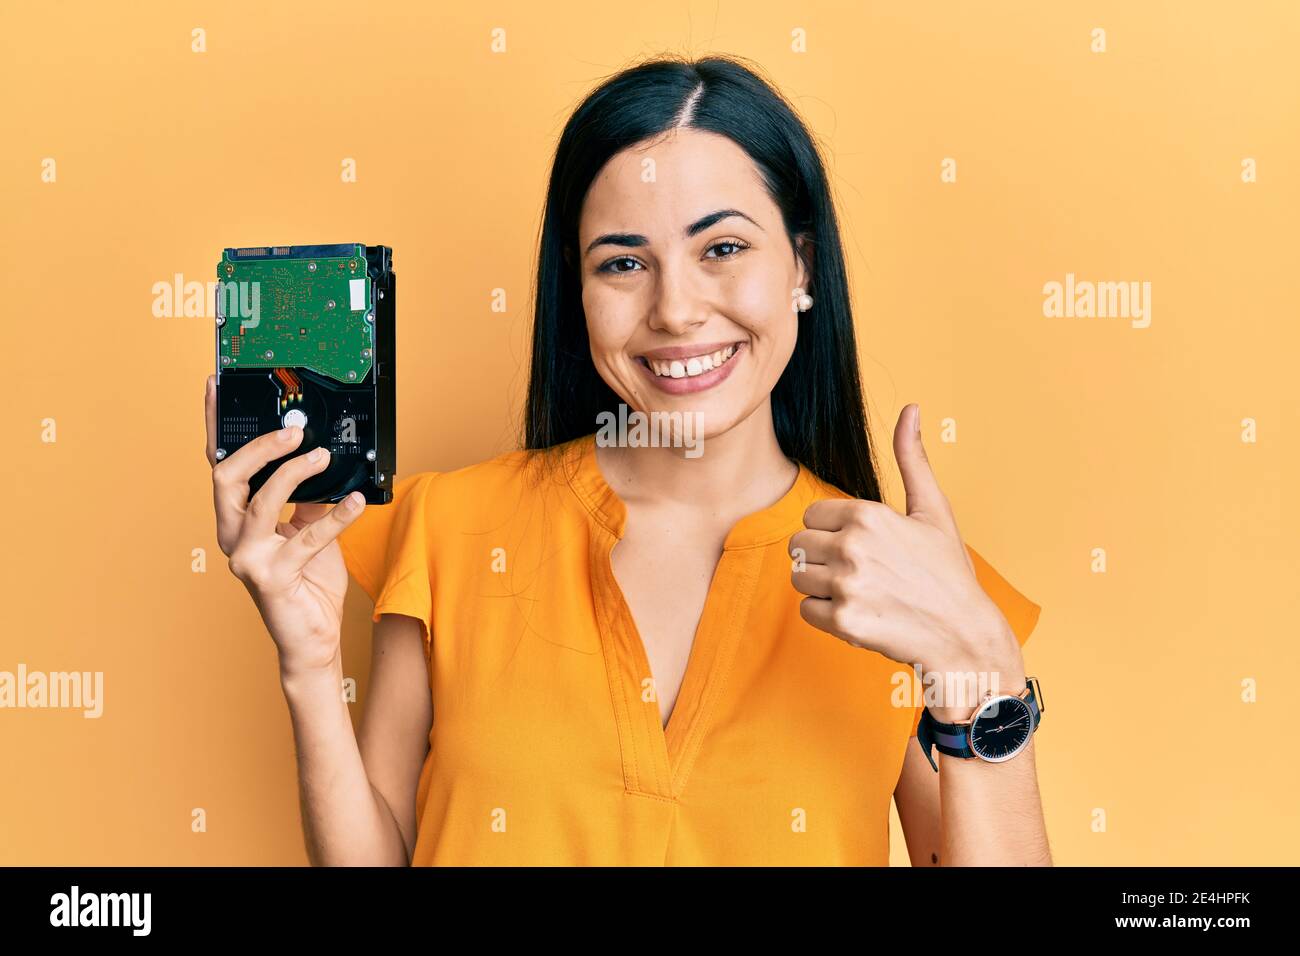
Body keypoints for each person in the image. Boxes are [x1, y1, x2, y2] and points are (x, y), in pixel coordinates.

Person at [204, 54, 1050, 866]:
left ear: (803, 265)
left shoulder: (904, 579)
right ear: (576, 292)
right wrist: (310, 669)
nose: (675, 310)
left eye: (722, 248)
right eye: (622, 263)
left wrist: (980, 657)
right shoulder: (448, 527)